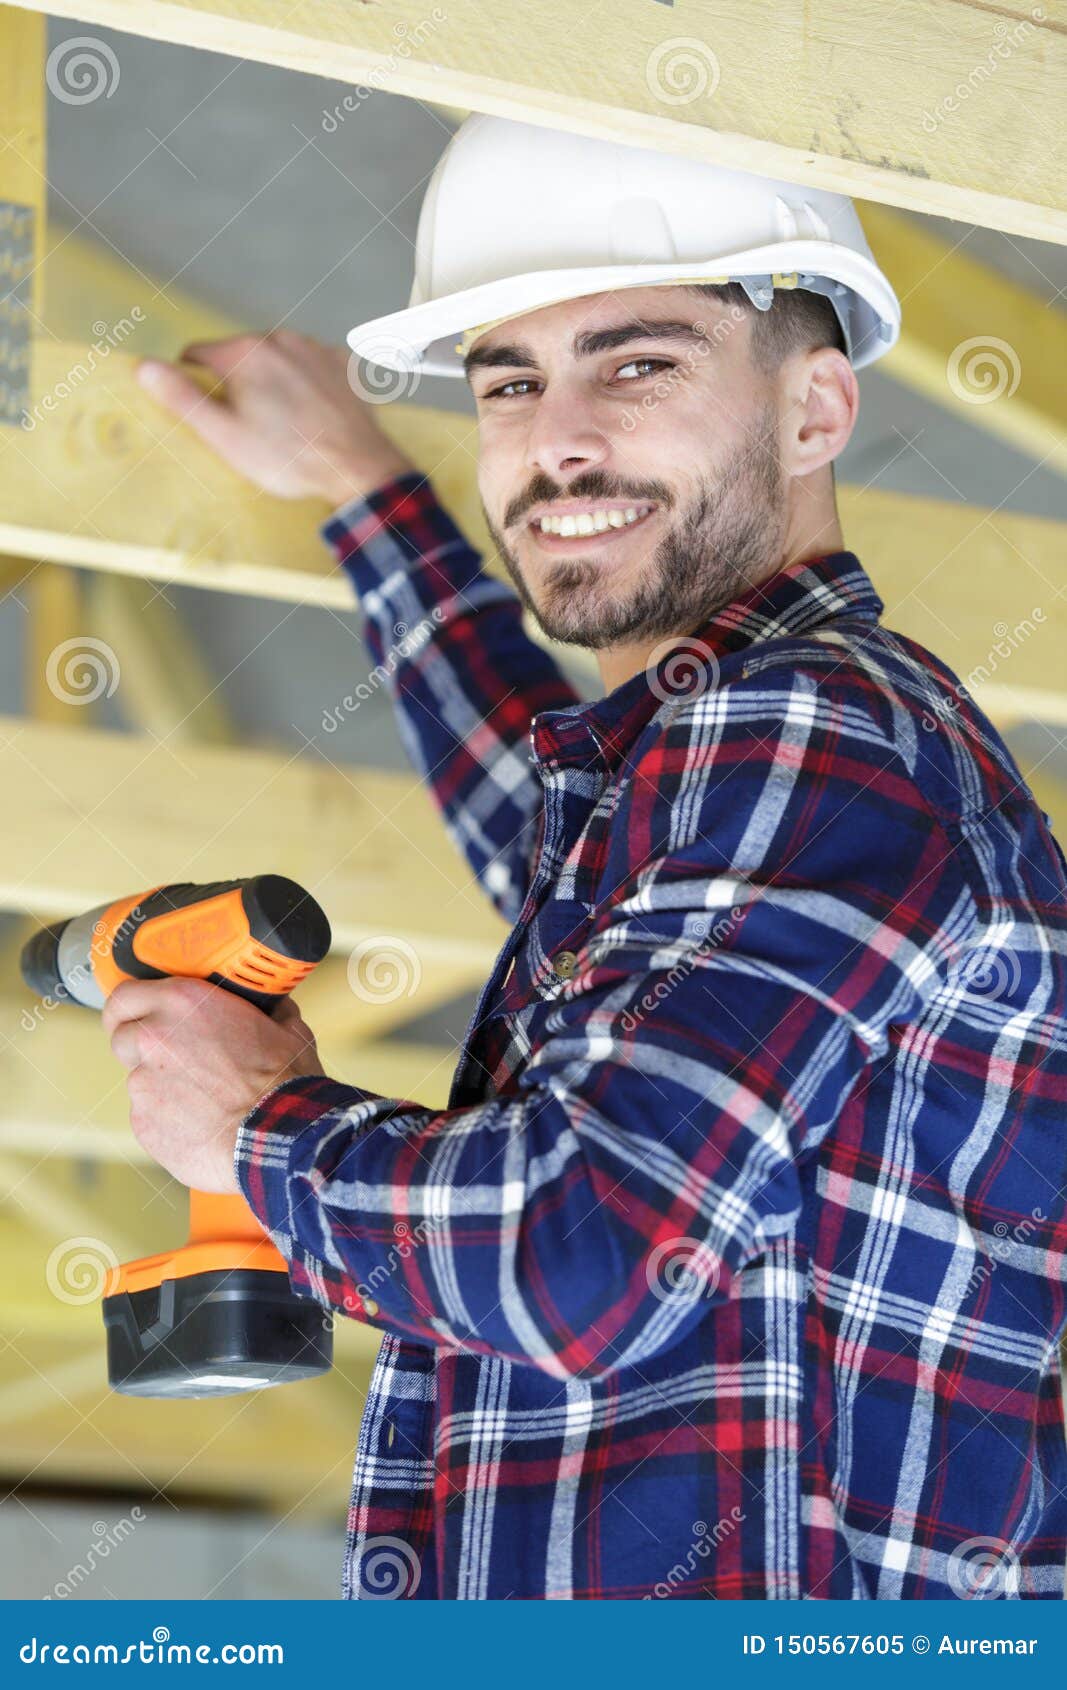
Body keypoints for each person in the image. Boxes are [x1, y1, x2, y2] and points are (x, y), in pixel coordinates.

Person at [104, 116, 1067, 1600]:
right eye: (508, 381)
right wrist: (369, 494)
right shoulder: (760, 763)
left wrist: (252, 1127)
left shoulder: (819, 730)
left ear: (816, 409)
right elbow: (559, 854)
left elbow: (584, 1249)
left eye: (636, 365)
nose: (556, 439)